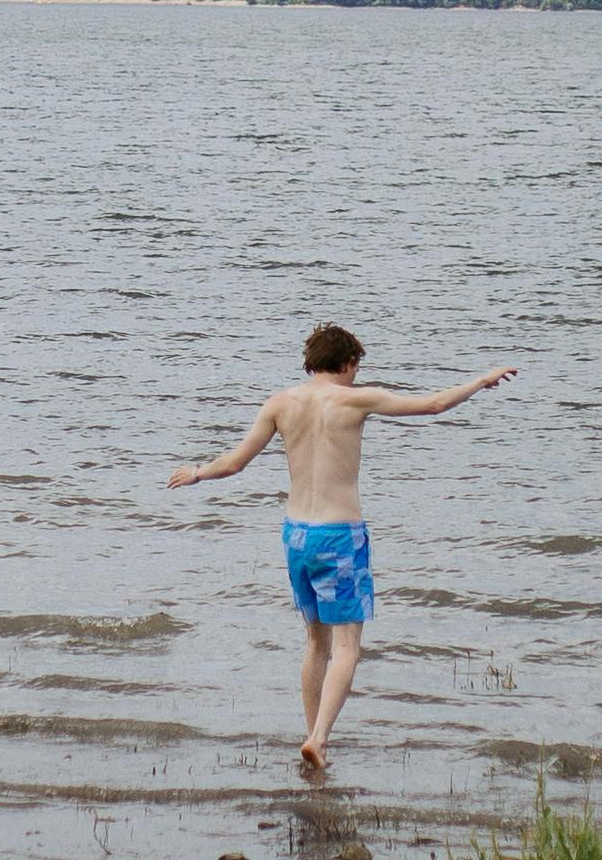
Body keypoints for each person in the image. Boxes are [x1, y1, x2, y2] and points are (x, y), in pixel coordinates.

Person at [166, 322, 518, 768]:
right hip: (338, 536)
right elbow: (433, 404)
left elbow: (236, 463)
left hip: (296, 536)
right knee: (348, 646)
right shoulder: (355, 398)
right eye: (356, 366)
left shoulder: (280, 403)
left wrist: (197, 471)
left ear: (312, 361)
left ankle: (312, 735)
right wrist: (481, 380)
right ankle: (320, 740)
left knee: (315, 643)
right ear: (349, 363)